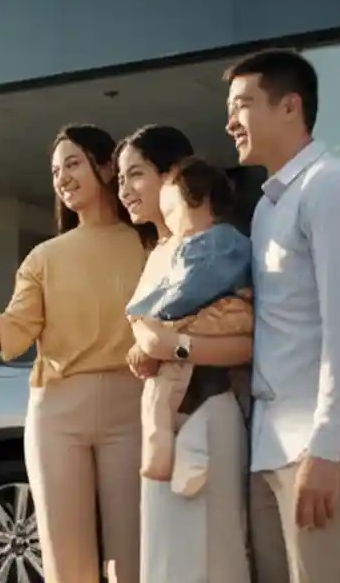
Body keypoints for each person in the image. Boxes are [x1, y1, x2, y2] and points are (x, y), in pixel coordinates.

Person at [0, 124, 147, 583]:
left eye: (74, 163)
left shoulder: (150, 244)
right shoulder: (44, 257)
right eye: (56, 170)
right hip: (57, 414)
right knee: (64, 561)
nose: (62, 177)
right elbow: (12, 340)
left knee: (133, 558)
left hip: (134, 409)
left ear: (107, 166)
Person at [226, 49, 340, 582]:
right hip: (270, 448)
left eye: (243, 105)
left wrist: (327, 445)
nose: (230, 122)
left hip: (318, 446)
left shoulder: (330, 187)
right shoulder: (269, 207)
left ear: (290, 106)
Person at [116, 126, 254, 583]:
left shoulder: (217, 249)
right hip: (166, 416)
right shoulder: (160, 255)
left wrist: (167, 343)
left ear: (173, 177)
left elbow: (244, 340)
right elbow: (142, 334)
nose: (125, 190)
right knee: (168, 552)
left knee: (209, 553)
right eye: (119, 178)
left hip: (205, 411)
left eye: (135, 174)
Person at [125, 154, 253, 485]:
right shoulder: (188, 248)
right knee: (165, 391)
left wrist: (146, 317)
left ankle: (163, 458)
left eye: (171, 212)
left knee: (163, 394)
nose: (169, 223)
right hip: (196, 348)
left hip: (216, 329)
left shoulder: (215, 244)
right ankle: (178, 453)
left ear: (199, 202)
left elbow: (187, 292)